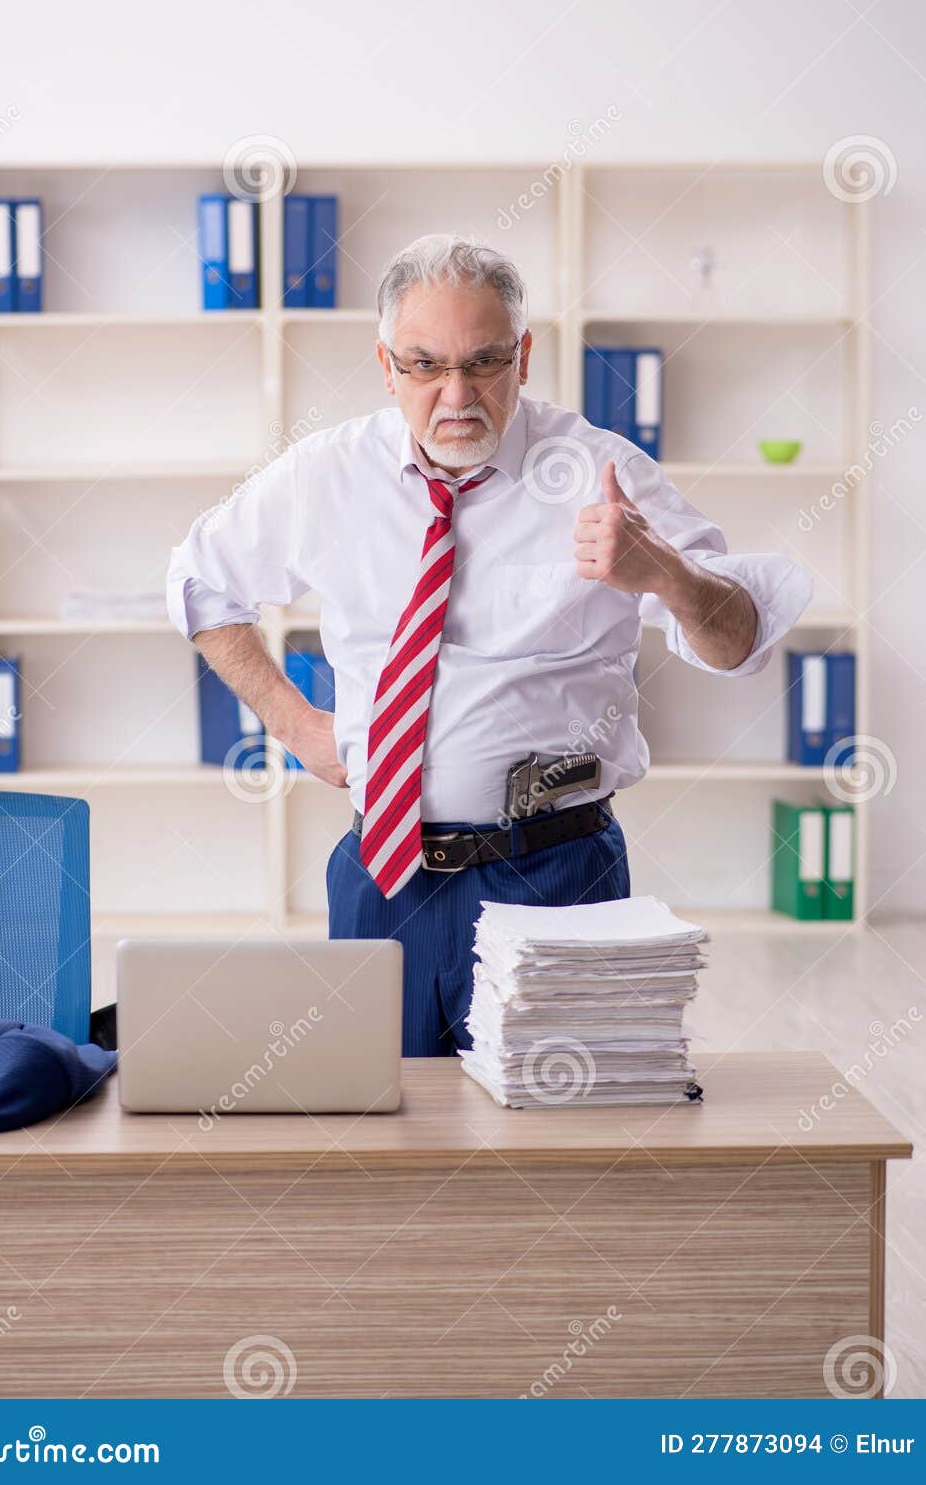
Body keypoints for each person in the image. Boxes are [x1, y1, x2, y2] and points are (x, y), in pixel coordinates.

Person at [167, 235, 812, 1056]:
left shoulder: (597, 472)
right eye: (426, 365)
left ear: (525, 357)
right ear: (386, 365)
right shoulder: (327, 474)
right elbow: (199, 578)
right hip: (381, 875)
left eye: (483, 362)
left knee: (558, 1153)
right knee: (379, 1138)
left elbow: (739, 643)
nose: (456, 394)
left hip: (555, 877)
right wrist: (296, 726)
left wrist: (667, 575)